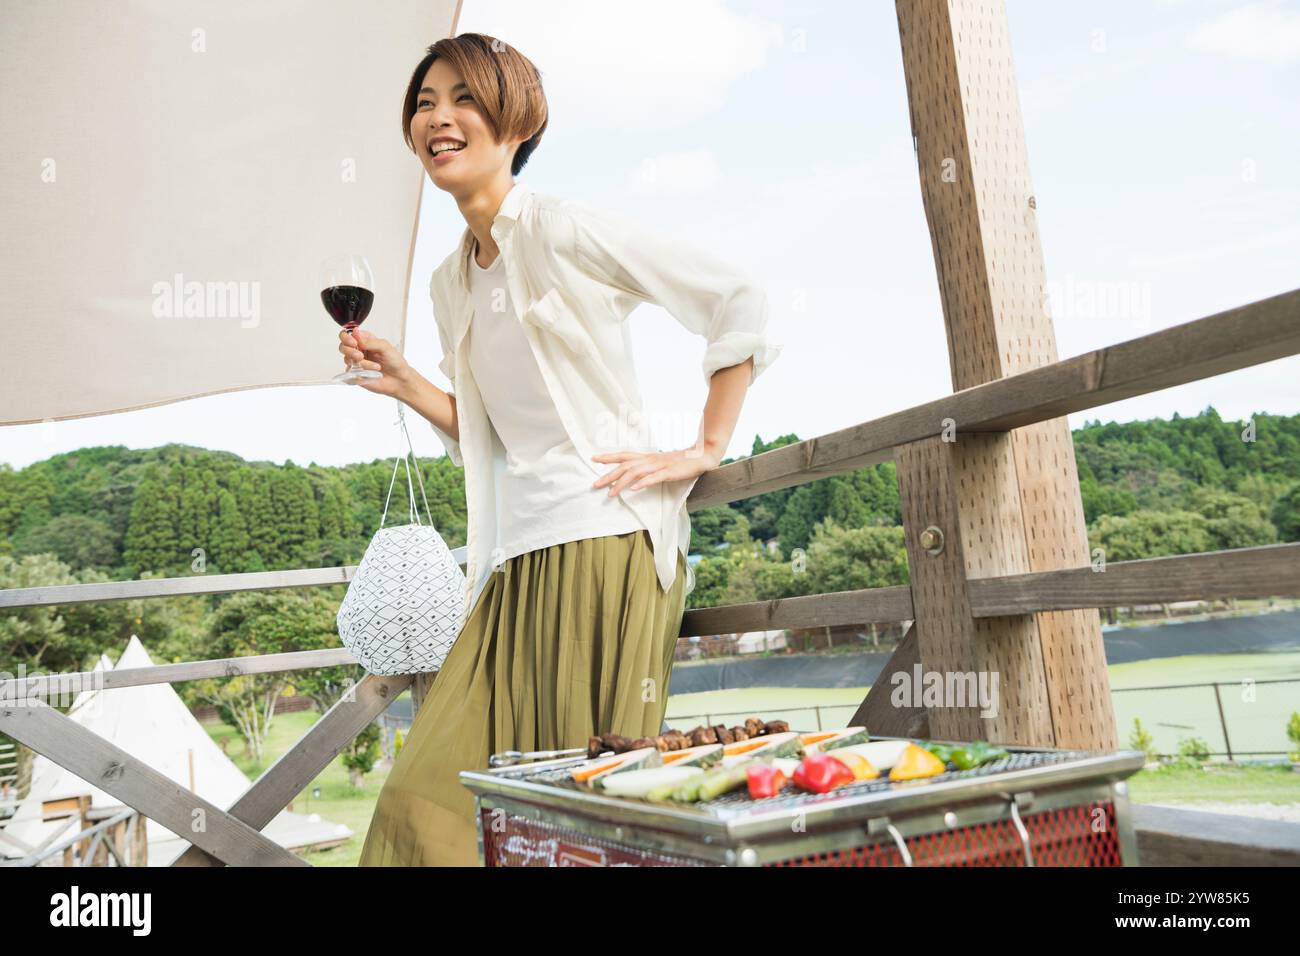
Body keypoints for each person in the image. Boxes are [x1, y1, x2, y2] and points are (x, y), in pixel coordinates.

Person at [347, 33, 781, 866]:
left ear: (516, 122)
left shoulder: (564, 228)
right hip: (508, 563)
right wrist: (406, 382)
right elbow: (493, 439)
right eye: (425, 101)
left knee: (582, 821)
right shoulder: (449, 281)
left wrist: (705, 445)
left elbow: (734, 296)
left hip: (604, 547)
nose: (438, 116)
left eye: (462, 98)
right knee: (425, 805)